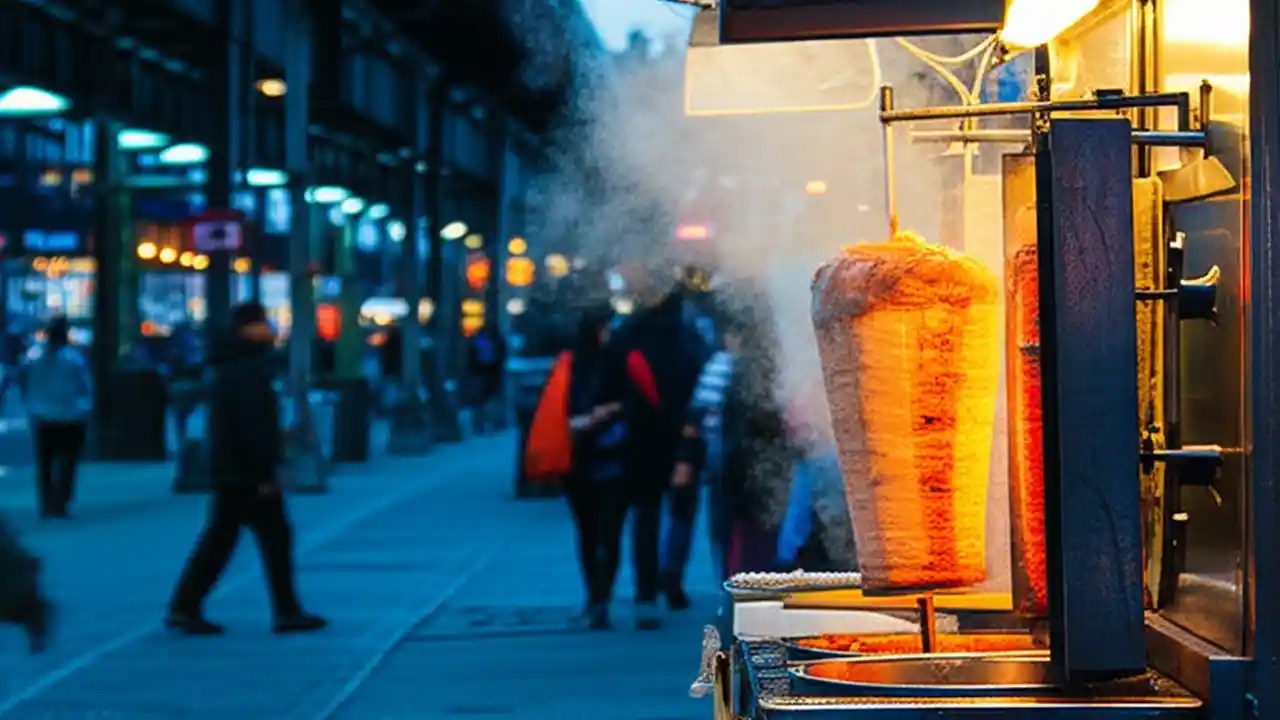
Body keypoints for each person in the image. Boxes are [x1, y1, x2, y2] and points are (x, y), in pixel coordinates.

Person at [166, 302, 326, 636]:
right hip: (248, 473)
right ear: (247, 328)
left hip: (232, 470)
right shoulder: (249, 370)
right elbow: (255, 426)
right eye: (262, 322)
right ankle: (285, 611)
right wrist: (266, 472)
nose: (270, 328)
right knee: (272, 538)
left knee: (222, 538)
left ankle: (186, 605)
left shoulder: (232, 365)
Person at [597, 280, 710, 629]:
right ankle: (673, 580)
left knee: (645, 517)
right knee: (682, 513)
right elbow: (704, 387)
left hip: (640, 439)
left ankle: (645, 590)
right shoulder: (690, 338)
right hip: (684, 440)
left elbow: (610, 383)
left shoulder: (628, 335)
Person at [674, 294, 795, 579]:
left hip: (731, 464)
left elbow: (696, 413)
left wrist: (687, 460)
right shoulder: (776, 367)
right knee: (764, 535)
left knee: (730, 535)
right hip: (765, 466)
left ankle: (734, 588)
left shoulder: (725, 364)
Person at [558, 307, 626, 630]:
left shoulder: (574, 365)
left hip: (590, 460)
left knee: (596, 534)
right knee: (599, 534)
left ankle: (597, 599)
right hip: (598, 458)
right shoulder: (594, 365)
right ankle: (598, 598)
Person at [24, 316, 92, 519]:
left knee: (45, 463)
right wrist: (86, 410)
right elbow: (85, 388)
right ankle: (62, 502)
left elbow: (27, 386)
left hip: (43, 417)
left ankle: (46, 502)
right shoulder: (74, 359)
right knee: (68, 462)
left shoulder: (35, 359)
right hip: (70, 416)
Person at [467, 327, 508, 434]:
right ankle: (496, 424)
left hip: (479, 372)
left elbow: (470, 356)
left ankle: (479, 426)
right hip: (494, 372)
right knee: (494, 399)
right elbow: (503, 354)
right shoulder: (497, 339)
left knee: (479, 401)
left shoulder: (476, 340)